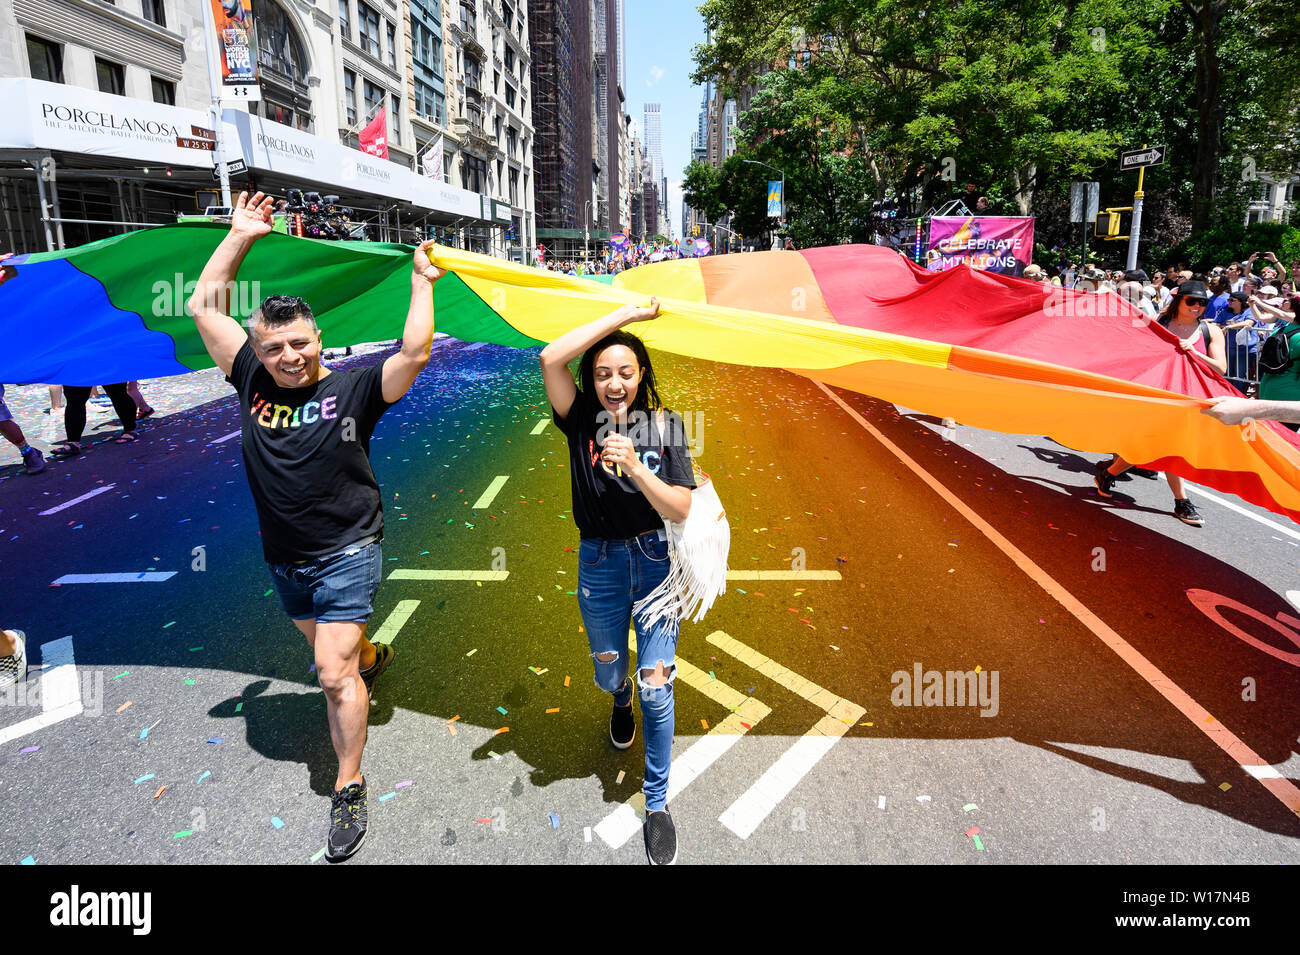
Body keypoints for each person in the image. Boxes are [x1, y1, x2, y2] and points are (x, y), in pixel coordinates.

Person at [186, 190, 443, 862]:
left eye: (299, 343)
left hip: (348, 549)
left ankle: (349, 782)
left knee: (329, 672)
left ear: (319, 338)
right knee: (342, 656)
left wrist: (420, 283)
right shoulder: (250, 378)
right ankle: (367, 655)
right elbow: (203, 307)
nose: (289, 357)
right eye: (274, 348)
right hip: (286, 557)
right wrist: (240, 234)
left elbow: (413, 355)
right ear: (258, 350)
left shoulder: (352, 389)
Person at [539, 297, 696, 865]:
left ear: (642, 376)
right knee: (610, 671)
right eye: (603, 373)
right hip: (600, 567)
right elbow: (551, 357)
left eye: (625, 372)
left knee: (659, 687)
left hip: (654, 564)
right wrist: (623, 319)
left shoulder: (665, 427)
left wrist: (635, 467)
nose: (614, 383)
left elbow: (680, 508)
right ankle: (618, 696)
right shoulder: (579, 418)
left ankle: (657, 804)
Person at [1094, 280, 1227, 525]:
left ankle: (1108, 473)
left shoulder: (1211, 331)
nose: (1197, 306)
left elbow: (1221, 367)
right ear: (1179, 301)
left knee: (1158, 445)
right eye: (1191, 301)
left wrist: (1194, 352)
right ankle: (1181, 502)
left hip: (1190, 396)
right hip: (1156, 393)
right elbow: (1133, 342)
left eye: (1202, 302)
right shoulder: (1160, 322)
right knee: (1167, 444)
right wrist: (1108, 298)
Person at [49, 382, 138, 457]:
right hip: (78, 363)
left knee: (117, 392)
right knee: (74, 398)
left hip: (104, 361)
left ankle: (130, 429)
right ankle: (73, 442)